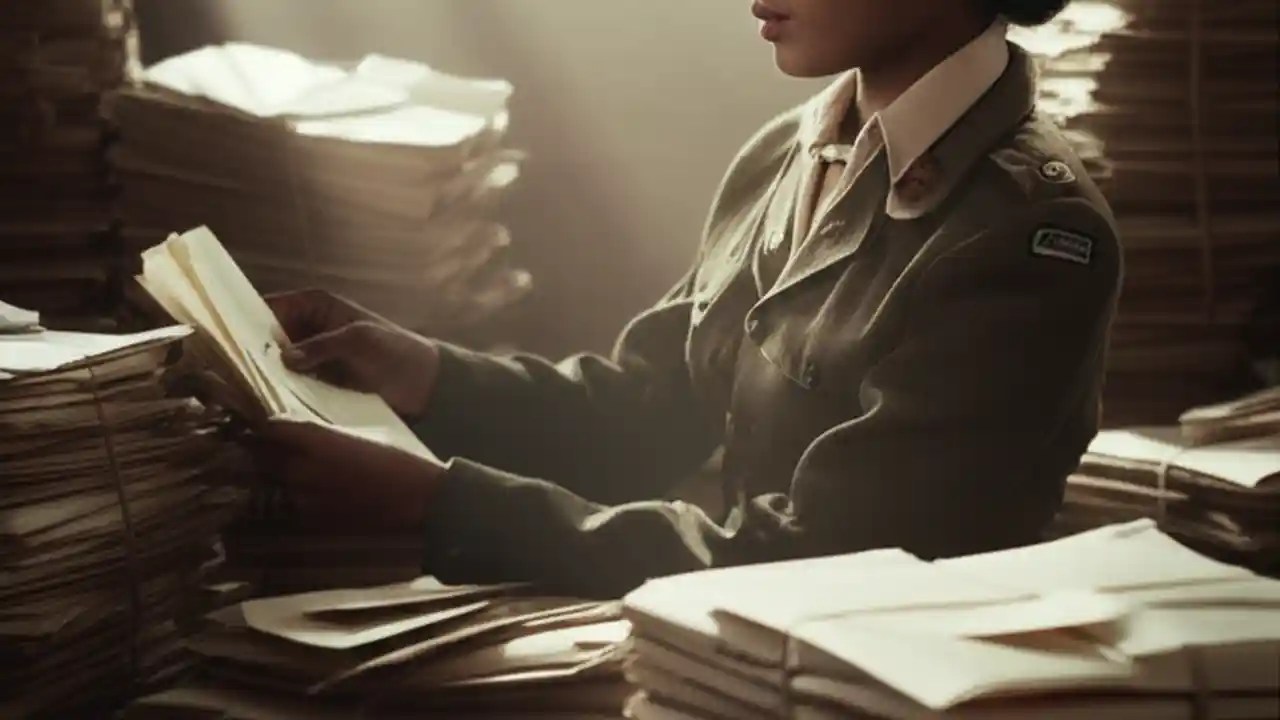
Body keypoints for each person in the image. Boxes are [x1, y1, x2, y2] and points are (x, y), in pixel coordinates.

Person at [262, 0, 1123, 598]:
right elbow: (643, 415)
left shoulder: (1029, 232)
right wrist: (419, 373)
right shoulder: (789, 153)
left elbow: (833, 558)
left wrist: (441, 506)